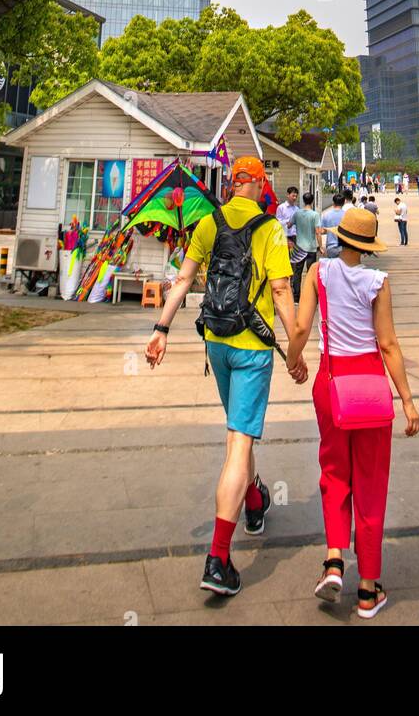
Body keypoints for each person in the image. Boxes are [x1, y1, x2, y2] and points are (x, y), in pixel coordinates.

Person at [144, 155, 307, 598]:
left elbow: (182, 279)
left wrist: (161, 330)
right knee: (239, 442)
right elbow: (280, 291)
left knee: (240, 432)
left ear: (233, 184)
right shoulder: (271, 228)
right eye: (263, 182)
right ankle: (218, 559)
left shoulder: (209, 224)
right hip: (253, 349)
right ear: (257, 184)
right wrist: (295, 350)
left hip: (216, 341)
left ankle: (254, 500)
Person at [287, 207, 419, 617]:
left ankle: (333, 560)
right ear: (368, 246)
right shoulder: (377, 282)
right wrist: (408, 400)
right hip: (369, 388)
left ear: (339, 238)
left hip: (330, 383)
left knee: (333, 472)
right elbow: (388, 344)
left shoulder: (317, 273)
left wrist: (295, 361)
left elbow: (301, 328)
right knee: (371, 479)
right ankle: (368, 588)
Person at [292, 192, 321, 302]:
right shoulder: (315, 215)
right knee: (311, 273)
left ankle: (296, 297)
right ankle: (311, 297)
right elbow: (318, 232)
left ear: (303, 201)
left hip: (299, 247)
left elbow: (289, 225)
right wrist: (321, 246)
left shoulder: (297, 213)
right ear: (312, 201)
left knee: (297, 273)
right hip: (311, 248)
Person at [320, 191, 345, 259]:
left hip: (331, 247)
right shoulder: (347, 215)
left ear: (333, 202)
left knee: (332, 268)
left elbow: (322, 231)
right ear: (343, 203)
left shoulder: (326, 215)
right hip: (344, 248)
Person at [277, 186, 300, 255]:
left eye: (296, 196)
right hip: (285, 237)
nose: (294, 198)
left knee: (294, 259)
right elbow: (278, 222)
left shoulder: (297, 209)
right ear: (288, 194)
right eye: (293, 196)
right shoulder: (281, 208)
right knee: (285, 257)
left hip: (295, 237)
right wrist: (288, 222)